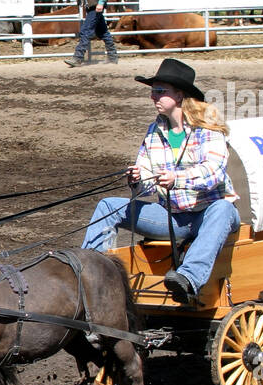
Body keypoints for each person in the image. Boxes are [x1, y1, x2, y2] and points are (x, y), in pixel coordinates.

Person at [81, 58, 240, 306]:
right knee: (107, 206)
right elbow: (148, 181)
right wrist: (137, 179)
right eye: (153, 91)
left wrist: (177, 179)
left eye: (160, 91)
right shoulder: (154, 131)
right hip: (172, 216)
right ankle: (88, 274)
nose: (153, 97)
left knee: (224, 208)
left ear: (179, 95)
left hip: (208, 215)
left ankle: (188, 278)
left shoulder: (207, 130)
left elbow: (214, 172)